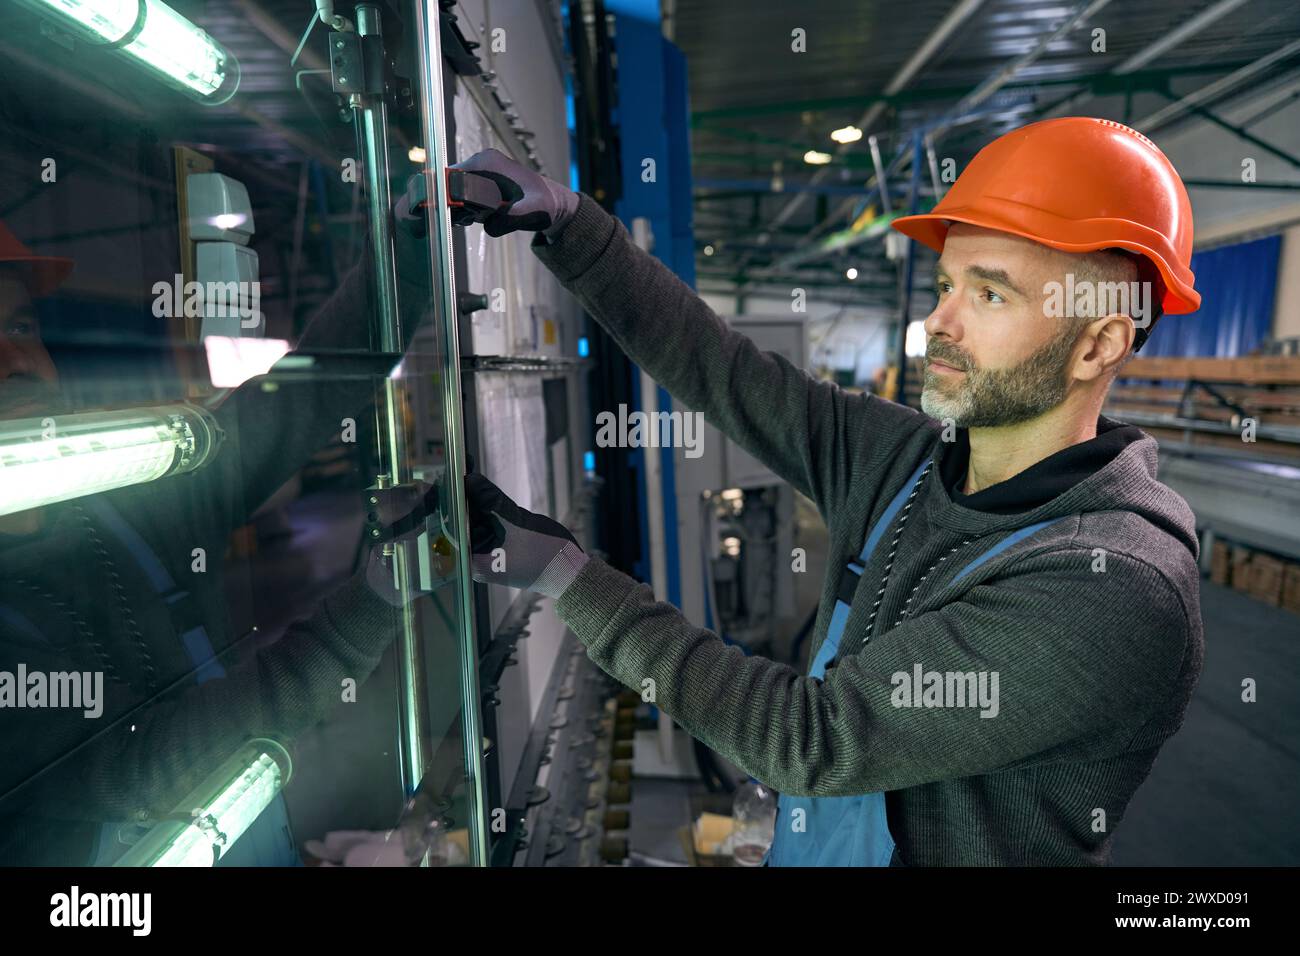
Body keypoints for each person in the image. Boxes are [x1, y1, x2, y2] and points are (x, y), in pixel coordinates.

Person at [453, 116, 1205, 866]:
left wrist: (568, 578)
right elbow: (721, 369)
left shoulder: (1112, 585)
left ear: (1098, 344)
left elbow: (810, 740)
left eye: (990, 295)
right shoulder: (909, 459)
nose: (937, 324)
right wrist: (570, 223)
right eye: (947, 285)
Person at [0, 219, 431, 865]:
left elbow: (303, 400)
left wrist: (416, 242)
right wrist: (374, 601)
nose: (17, 363)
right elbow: (142, 771)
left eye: (21, 327)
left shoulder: (131, 501)